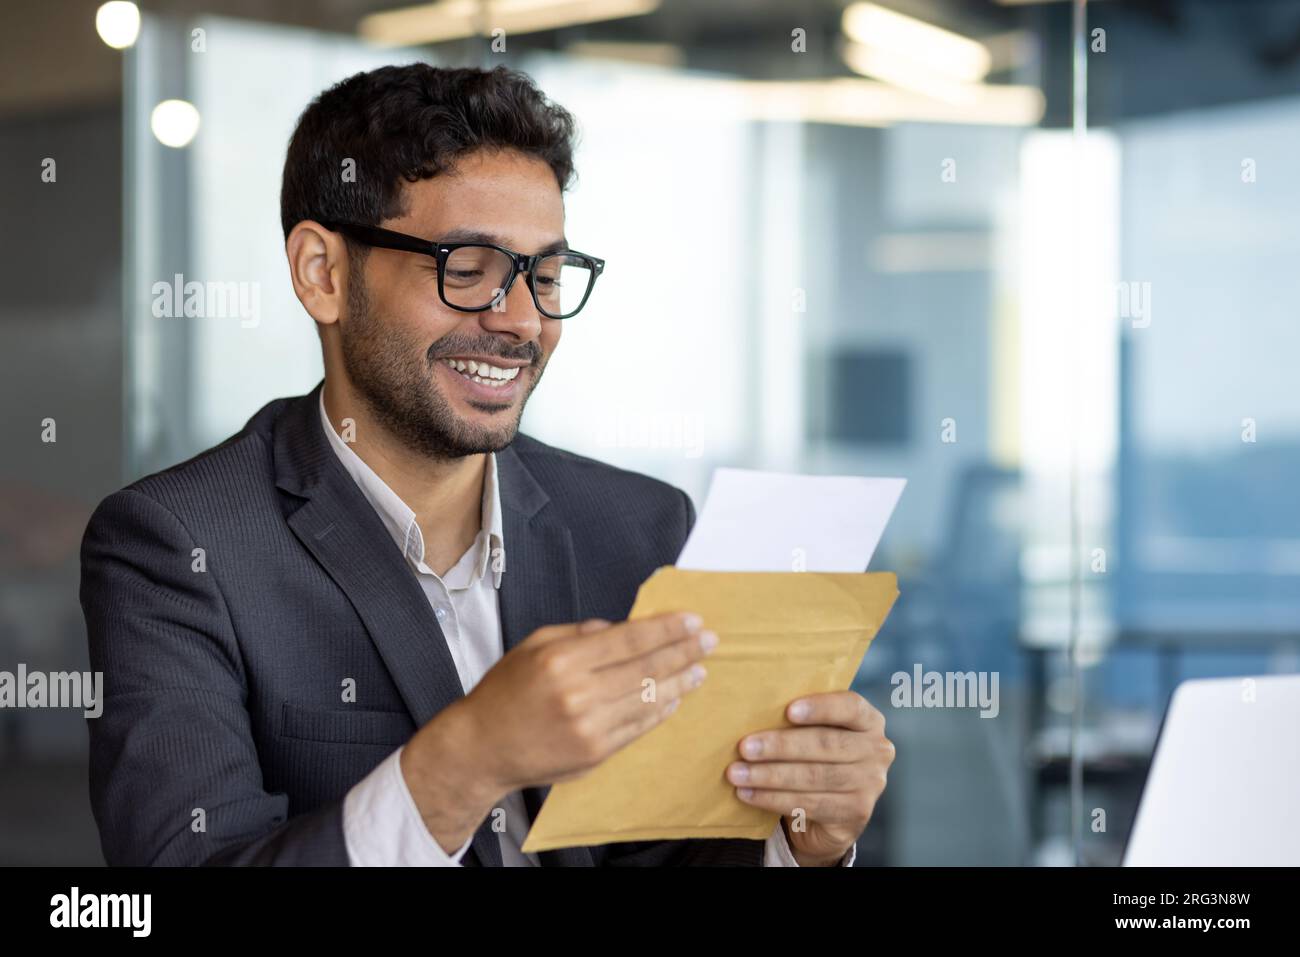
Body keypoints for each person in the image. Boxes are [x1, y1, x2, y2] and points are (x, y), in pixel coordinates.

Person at [81, 64, 894, 866]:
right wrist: (468, 758)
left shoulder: (641, 526)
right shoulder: (181, 545)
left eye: (543, 277)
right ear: (322, 274)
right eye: (466, 270)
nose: (519, 322)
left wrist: (798, 843)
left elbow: (676, 853)